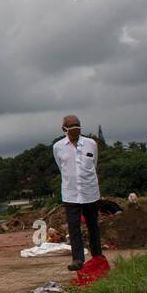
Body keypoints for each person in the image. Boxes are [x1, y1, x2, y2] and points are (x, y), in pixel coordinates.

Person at [52, 114, 102, 270]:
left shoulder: (91, 144)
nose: (75, 128)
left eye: (77, 125)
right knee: (74, 227)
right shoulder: (58, 147)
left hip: (90, 192)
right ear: (64, 129)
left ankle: (97, 255)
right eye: (72, 126)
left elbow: (94, 164)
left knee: (93, 225)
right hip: (70, 193)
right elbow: (62, 168)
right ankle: (77, 259)